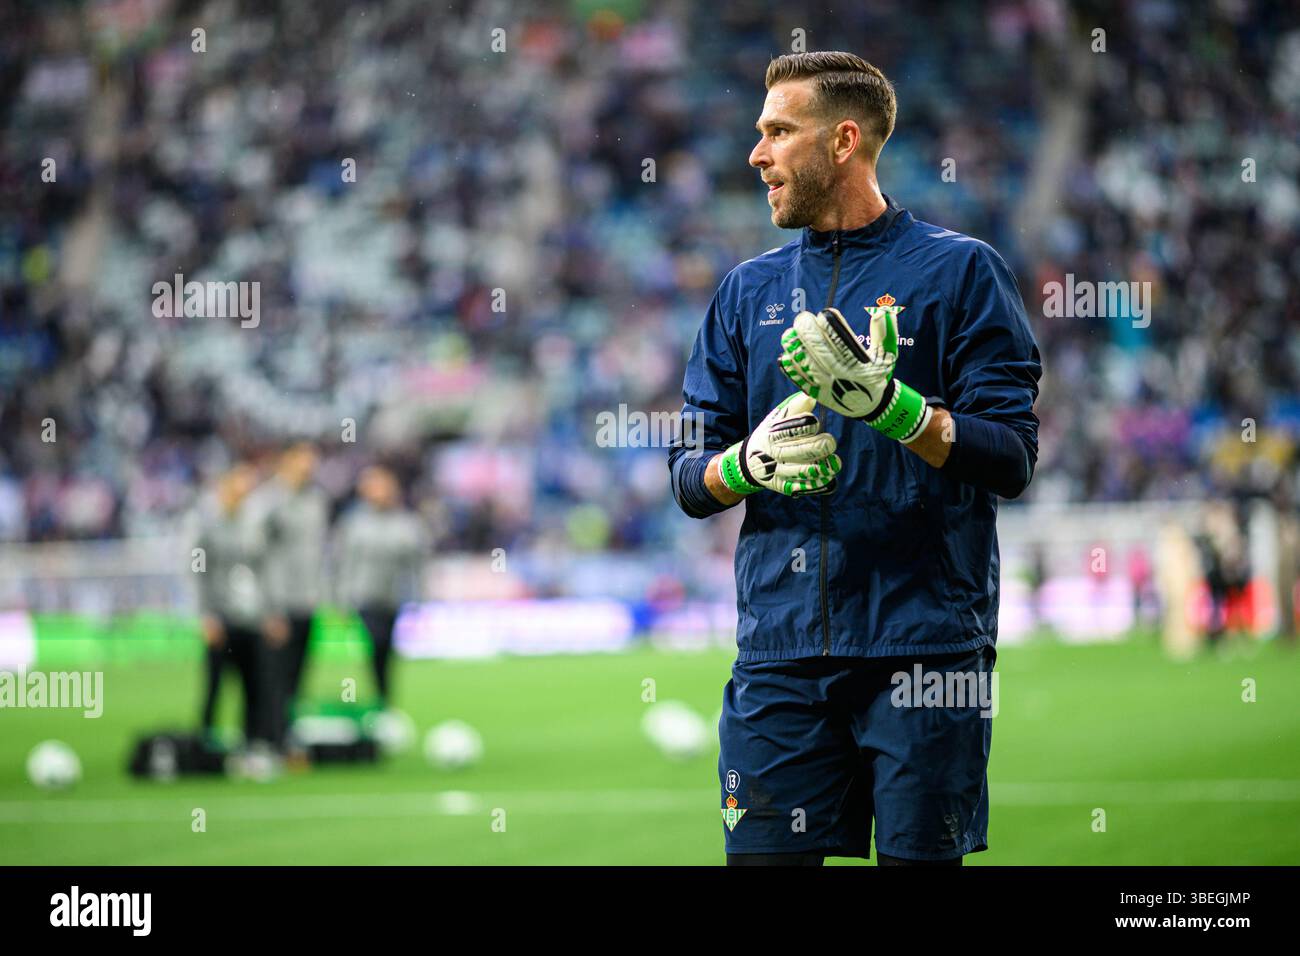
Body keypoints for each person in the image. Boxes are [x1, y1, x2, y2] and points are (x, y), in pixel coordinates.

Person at [667, 52, 1042, 865]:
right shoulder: (744, 293)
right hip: (780, 656)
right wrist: (744, 465)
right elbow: (688, 473)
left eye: (777, 132)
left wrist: (895, 410)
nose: (755, 153)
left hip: (927, 649)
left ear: (843, 140)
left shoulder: (962, 272)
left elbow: (1011, 456)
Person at [253, 443, 330, 745]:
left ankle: (286, 738)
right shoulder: (268, 502)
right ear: (286, 461)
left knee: (298, 677)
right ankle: (266, 740)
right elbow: (256, 556)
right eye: (302, 458)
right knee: (273, 678)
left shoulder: (317, 501)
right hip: (278, 606)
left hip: (307, 602)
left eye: (312, 458)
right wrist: (267, 608)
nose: (309, 465)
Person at [191, 464, 271, 748]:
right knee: (214, 686)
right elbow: (198, 574)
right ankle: (204, 743)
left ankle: (250, 743)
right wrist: (206, 616)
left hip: (251, 619)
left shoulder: (254, 528)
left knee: (253, 686)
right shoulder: (207, 527)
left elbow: (263, 572)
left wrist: (267, 613)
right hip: (222, 618)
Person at [333, 466, 427, 706]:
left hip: (392, 598)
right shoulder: (354, 524)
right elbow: (343, 562)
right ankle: (380, 697)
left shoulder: (407, 524)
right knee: (376, 643)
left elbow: (417, 564)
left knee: (386, 650)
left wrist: (418, 597)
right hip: (364, 597)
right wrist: (342, 598)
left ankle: (383, 699)